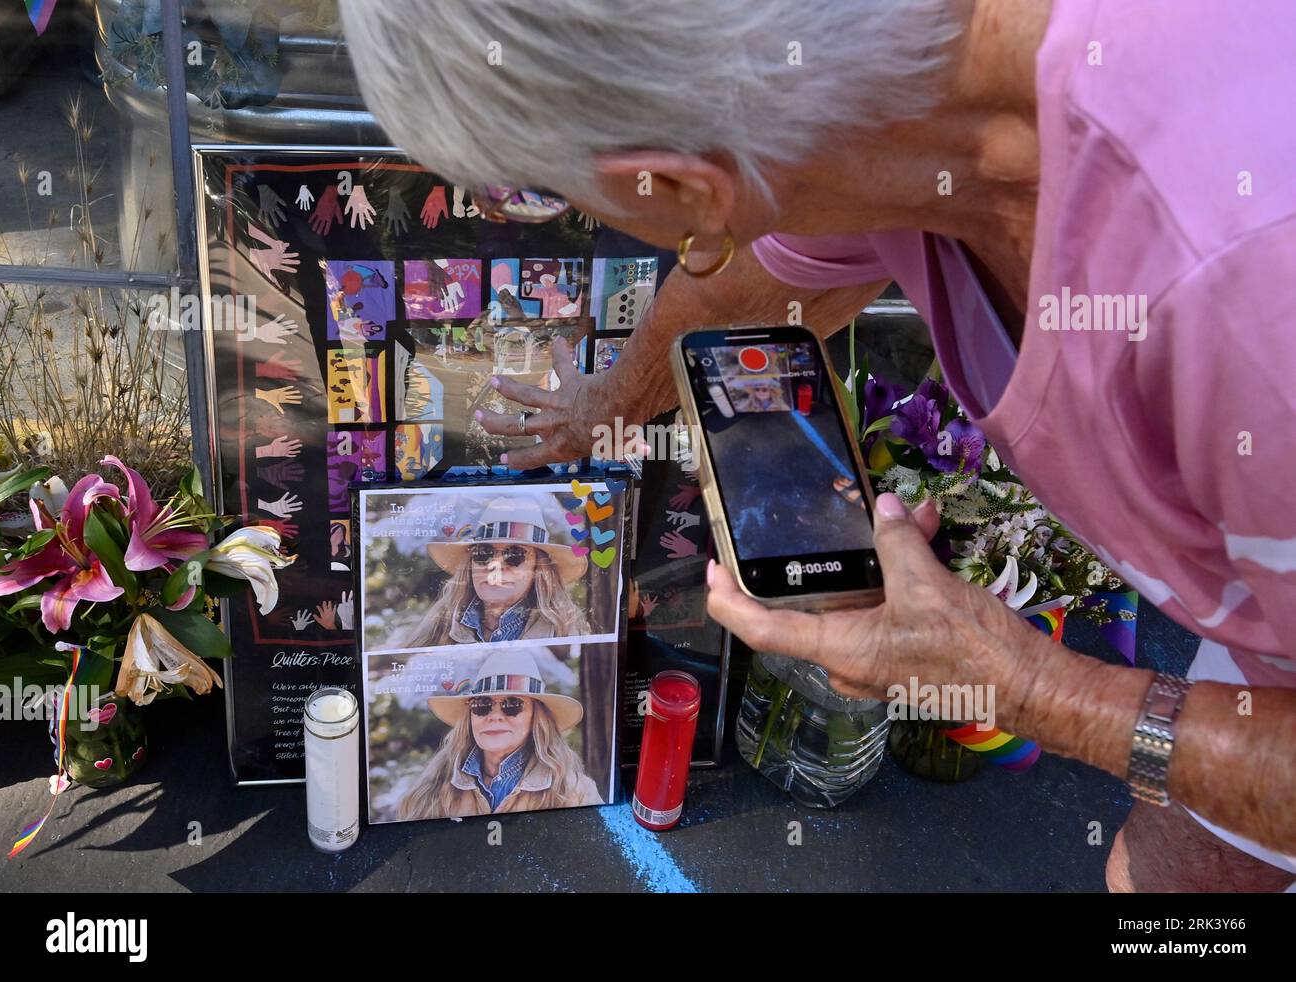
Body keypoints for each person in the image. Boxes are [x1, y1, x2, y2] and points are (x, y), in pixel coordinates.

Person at [341, 0, 1296, 890]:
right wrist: (606, 404)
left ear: (682, 187)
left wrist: (1028, 688)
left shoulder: (1245, 290)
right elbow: (743, 289)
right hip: (1260, 643)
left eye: (550, 190)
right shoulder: (882, 113)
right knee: (1173, 881)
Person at [397, 649, 603, 818]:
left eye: (512, 704)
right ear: (470, 717)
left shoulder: (575, 792)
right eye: (482, 705)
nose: (494, 716)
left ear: (536, 718)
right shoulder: (433, 789)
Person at [390, 495, 591, 647]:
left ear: (538, 569)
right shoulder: (436, 629)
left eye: (515, 555)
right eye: (483, 553)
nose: (495, 565)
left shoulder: (568, 636)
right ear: (470, 565)